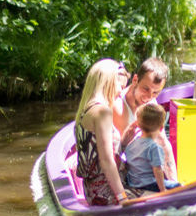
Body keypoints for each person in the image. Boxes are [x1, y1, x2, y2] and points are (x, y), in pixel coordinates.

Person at [74, 58, 133, 205]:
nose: (121, 94)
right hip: (106, 192)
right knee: (165, 199)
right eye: (120, 88)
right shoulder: (103, 112)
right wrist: (123, 198)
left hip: (92, 190)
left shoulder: (86, 109)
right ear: (109, 83)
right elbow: (106, 161)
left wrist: (124, 140)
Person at [123, 101, 180, 193]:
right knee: (179, 186)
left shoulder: (131, 144)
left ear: (138, 125)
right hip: (149, 185)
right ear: (161, 128)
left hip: (133, 184)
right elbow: (157, 170)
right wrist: (162, 189)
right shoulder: (154, 148)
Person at [113, 57, 169, 144]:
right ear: (135, 80)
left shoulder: (152, 103)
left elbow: (163, 141)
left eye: (155, 92)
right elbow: (127, 149)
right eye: (146, 89)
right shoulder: (119, 105)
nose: (149, 97)